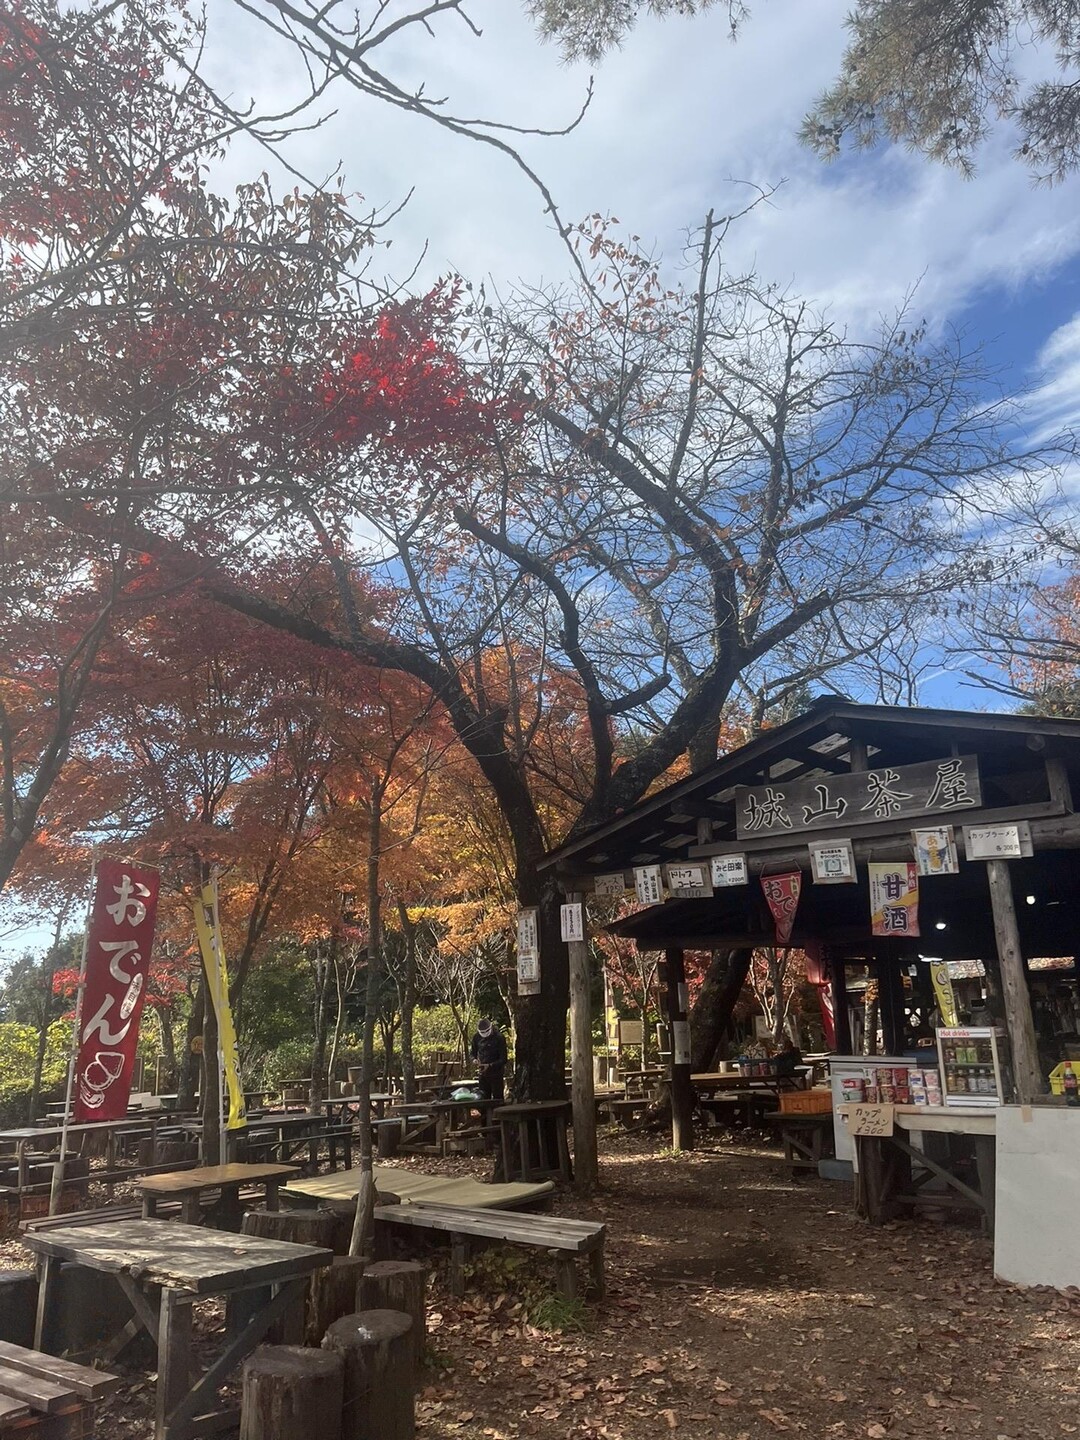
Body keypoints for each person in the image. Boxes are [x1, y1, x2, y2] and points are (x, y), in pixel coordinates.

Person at [470, 1018, 508, 1102]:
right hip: (482, 1074)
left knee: (497, 1100)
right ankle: (484, 1115)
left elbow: (503, 1059)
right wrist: (474, 1060)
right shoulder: (476, 1037)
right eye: (482, 1032)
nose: (484, 1034)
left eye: (486, 1031)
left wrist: (490, 1065)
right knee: (483, 1099)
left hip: (496, 1074)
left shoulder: (499, 1038)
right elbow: (472, 1053)